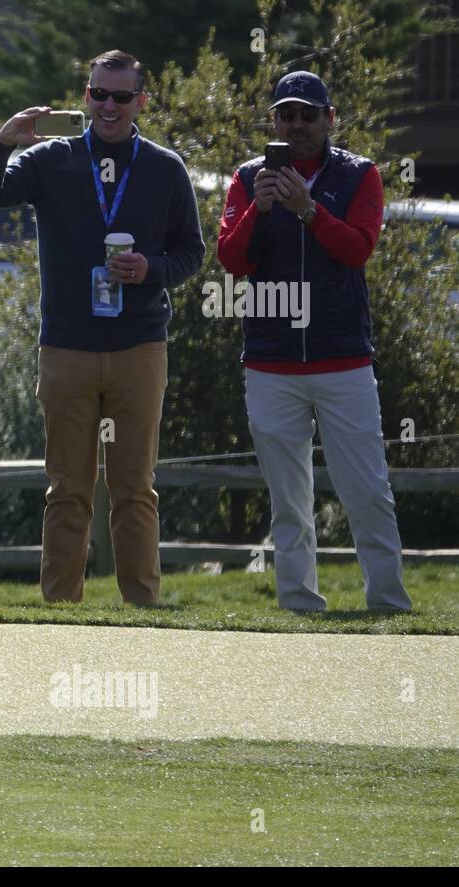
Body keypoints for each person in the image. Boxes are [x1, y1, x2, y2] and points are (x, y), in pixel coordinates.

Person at [0, 50, 205, 605]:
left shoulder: (165, 167)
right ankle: (59, 611)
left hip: (139, 347)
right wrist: (4, 141)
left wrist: (151, 270)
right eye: (99, 94)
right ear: (86, 94)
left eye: (122, 96)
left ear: (141, 101)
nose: (108, 106)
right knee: (68, 490)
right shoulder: (51, 159)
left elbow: (192, 254)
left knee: (134, 490)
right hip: (66, 348)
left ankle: (142, 606)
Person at [217, 71, 411, 612]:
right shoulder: (248, 177)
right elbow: (232, 260)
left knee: (368, 491)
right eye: (286, 114)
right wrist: (261, 209)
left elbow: (357, 250)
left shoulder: (360, 175)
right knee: (288, 502)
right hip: (271, 363)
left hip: (342, 359)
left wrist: (308, 209)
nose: (296, 125)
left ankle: (389, 604)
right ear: (274, 121)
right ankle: (300, 603)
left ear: (330, 119)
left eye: (307, 114)